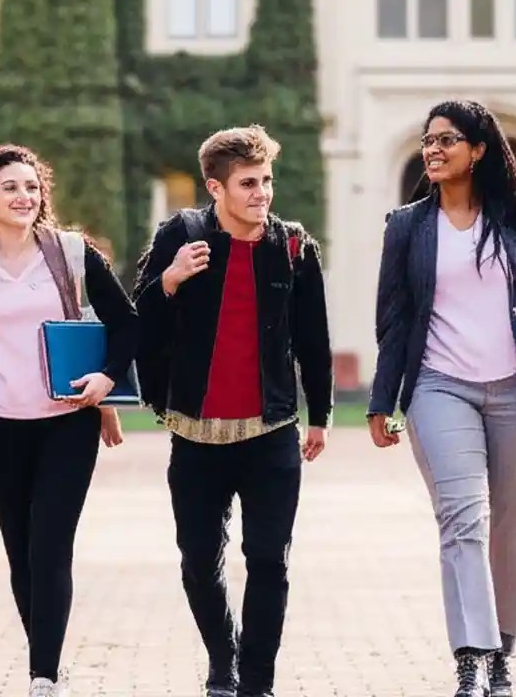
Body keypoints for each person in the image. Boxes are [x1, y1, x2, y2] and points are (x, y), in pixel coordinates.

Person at [367, 100, 516, 697]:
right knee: (462, 520)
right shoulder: (408, 226)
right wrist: (381, 401)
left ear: (479, 150)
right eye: (428, 140)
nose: (434, 150)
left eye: (448, 140)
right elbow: (393, 321)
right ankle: (474, 657)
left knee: (506, 524)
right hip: (439, 386)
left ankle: (504, 654)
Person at [0, 144, 138, 697]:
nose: (24, 196)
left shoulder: (72, 253)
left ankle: (43, 678)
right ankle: (49, 663)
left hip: (67, 425)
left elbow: (128, 325)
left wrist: (107, 379)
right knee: (21, 554)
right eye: (10, 187)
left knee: (49, 548)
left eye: (32, 186)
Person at [131, 124, 333, 697]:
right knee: (199, 561)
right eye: (248, 183)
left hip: (270, 434)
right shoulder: (182, 235)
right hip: (194, 437)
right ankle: (224, 661)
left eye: (266, 180)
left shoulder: (293, 248)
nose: (261, 193)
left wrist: (319, 415)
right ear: (215, 188)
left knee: (269, 561)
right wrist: (169, 281)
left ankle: (256, 684)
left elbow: (314, 339)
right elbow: (137, 327)